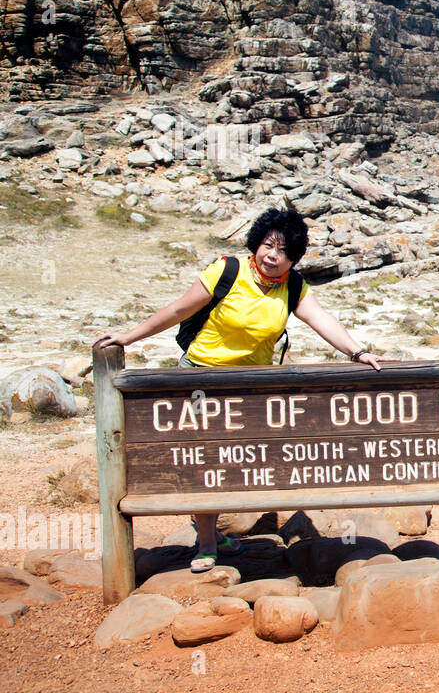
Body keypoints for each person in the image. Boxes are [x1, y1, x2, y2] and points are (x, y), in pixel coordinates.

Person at [93, 208, 385, 572]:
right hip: (199, 380)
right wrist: (129, 337)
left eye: (283, 251)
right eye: (268, 245)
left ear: (294, 259)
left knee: (238, 462)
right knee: (205, 462)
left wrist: (356, 351)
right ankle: (207, 540)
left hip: (249, 389)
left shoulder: (293, 286)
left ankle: (212, 530)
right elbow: (178, 310)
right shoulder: (227, 271)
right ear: (256, 243)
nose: (273, 256)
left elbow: (321, 318)